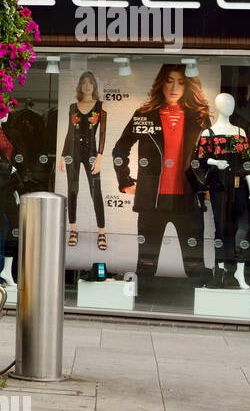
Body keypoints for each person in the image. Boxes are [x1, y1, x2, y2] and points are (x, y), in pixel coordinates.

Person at [112, 64, 211, 289]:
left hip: (187, 198)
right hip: (151, 201)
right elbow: (120, 149)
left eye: (181, 81)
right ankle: (139, 312)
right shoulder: (144, 115)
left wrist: (206, 187)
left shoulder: (199, 117)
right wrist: (125, 181)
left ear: (187, 86)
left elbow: (210, 156)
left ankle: (198, 314)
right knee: (146, 264)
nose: (174, 87)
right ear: (161, 83)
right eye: (169, 80)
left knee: (194, 264)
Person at [59, 71, 108, 251]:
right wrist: (63, 156)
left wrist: (100, 156)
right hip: (73, 151)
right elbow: (69, 133)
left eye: (90, 83)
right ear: (80, 86)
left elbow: (102, 133)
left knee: (96, 191)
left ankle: (101, 232)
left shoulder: (100, 106)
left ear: (94, 86)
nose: (87, 86)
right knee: (72, 190)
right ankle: (73, 229)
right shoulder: (72, 107)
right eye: (84, 82)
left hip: (91, 153)